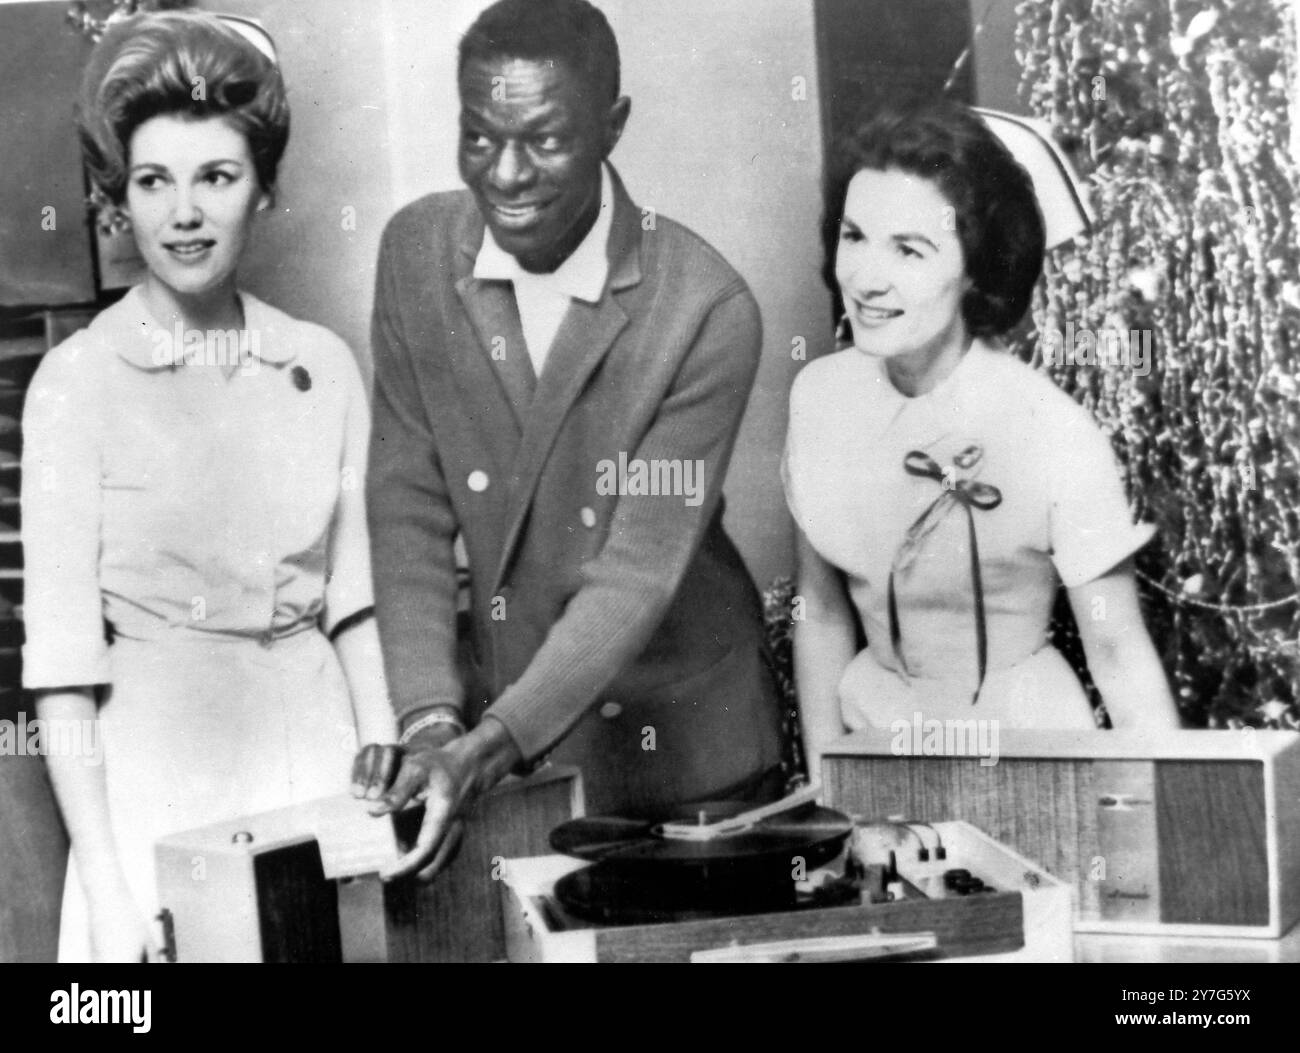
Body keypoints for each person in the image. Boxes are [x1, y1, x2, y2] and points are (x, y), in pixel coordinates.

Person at [353, 0, 785, 878]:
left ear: (612, 126)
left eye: (545, 141)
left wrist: (482, 749)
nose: (505, 174)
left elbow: (635, 574)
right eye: (479, 137)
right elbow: (407, 504)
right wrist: (432, 718)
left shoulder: (708, 305)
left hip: (687, 757)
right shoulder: (413, 253)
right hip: (508, 758)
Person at [22, 11, 394, 962]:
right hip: (157, 784)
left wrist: (383, 779)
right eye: (154, 181)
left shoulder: (322, 365)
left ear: (263, 189)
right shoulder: (75, 386)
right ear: (119, 197)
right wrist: (107, 886)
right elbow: (63, 675)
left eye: (216, 177)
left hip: (320, 762)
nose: (183, 212)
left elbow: (355, 609)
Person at [784, 102, 1180, 772]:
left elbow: (1117, 652)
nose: (867, 278)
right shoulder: (819, 398)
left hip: (1025, 749)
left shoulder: (1053, 430)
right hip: (873, 740)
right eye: (855, 236)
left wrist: (1173, 824)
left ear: (976, 267)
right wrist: (829, 787)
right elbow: (820, 613)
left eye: (909, 249)